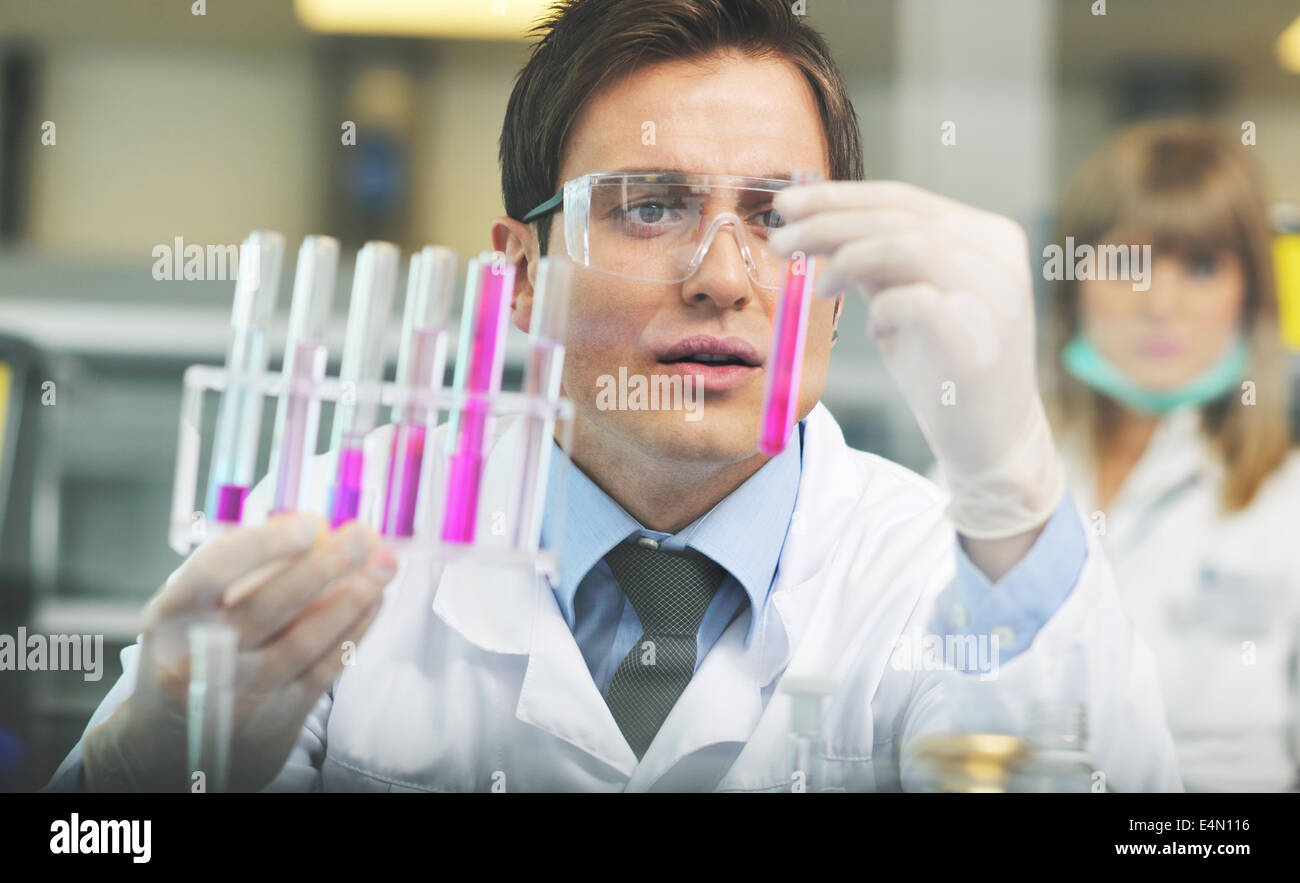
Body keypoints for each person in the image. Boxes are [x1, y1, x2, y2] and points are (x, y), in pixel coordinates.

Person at [49, 0, 1180, 792]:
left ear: (838, 284)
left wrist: (1014, 486)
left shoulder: (959, 572)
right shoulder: (334, 536)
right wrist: (150, 770)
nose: (722, 276)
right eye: (649, 205)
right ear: (520, 277)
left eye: (780, 220)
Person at [1047, 118, 1300, 791]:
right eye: (1126, 261)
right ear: (1072, 284)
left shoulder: (1288, 499)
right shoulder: (987, 471)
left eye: (1201, 265)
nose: (1161, 305)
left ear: (1251, 296)